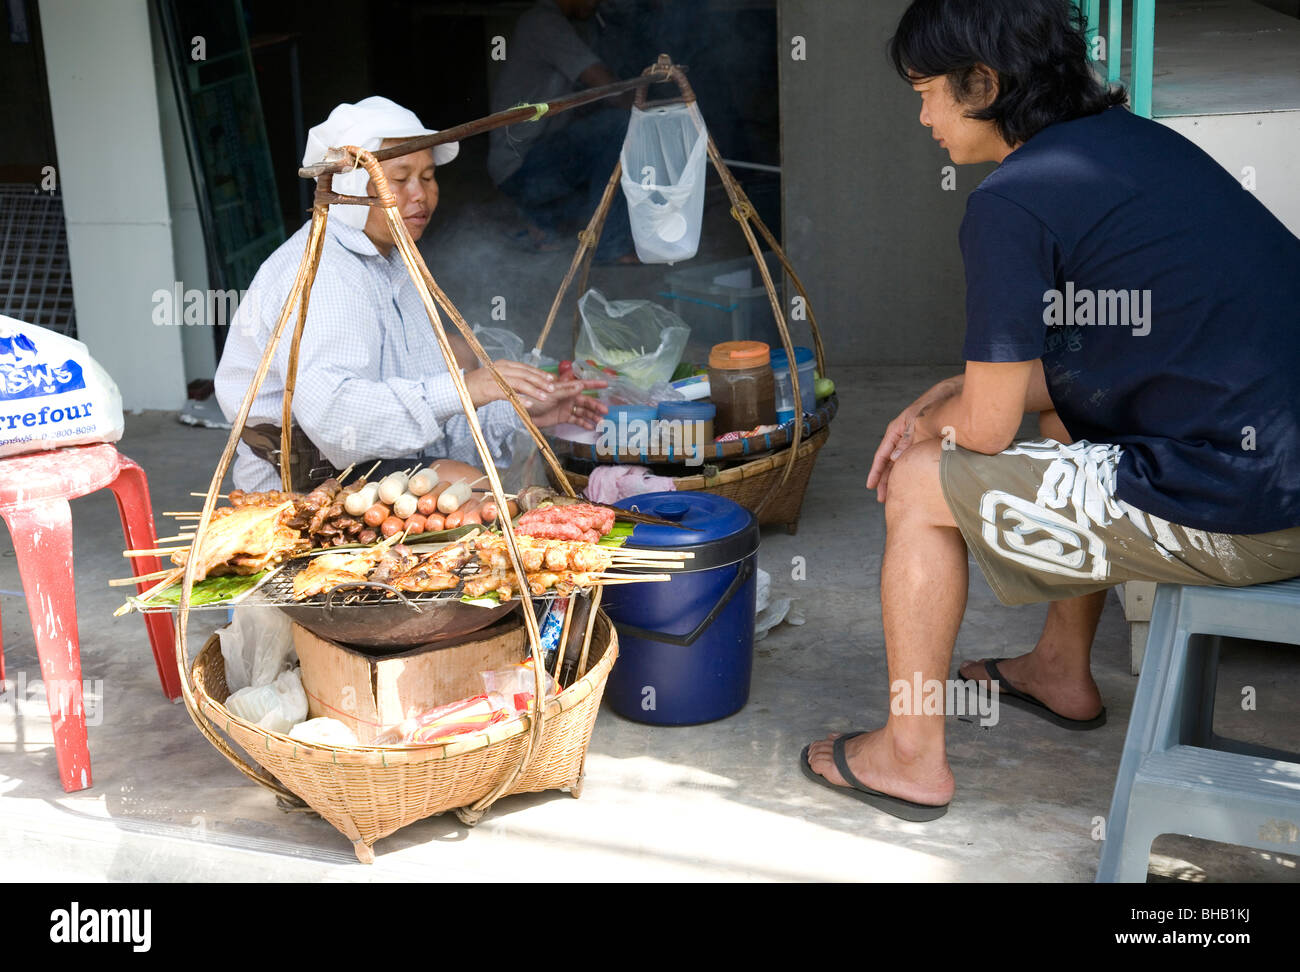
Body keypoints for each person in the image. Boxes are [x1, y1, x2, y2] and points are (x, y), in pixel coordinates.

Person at [801, 0, 1300, 820]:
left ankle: (909, 755)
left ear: (984, 83)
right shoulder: (1136, 146)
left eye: (928, 91)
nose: (922, 115)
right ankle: (1061, 671)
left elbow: (985, 426)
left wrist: (925, 425)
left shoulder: (1011, 201)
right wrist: (949, 395)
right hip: (1275, 475)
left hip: (1249, 513)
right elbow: (1093, 365)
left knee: (921, 487)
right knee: (1067, 420)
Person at [215, 97, 606, 492]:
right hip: (307, 483)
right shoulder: (325, 272)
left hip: (369, 461)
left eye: (429, 176)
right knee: (475, 489)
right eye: (400, 180)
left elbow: (429, 412)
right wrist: (469, 386)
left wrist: (518, 411)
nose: (420, 194)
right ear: (350, 186)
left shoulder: (392, 260)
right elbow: (336, 421)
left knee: (460, 364)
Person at [488, 0, 637, 264]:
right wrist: (648, 114)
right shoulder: (543, 23)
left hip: (533, 166)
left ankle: (541, 221)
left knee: (606, 135)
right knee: (620, 125)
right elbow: (606, 85)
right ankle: (611, 246)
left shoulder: (564, 25)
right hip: (522, 168)